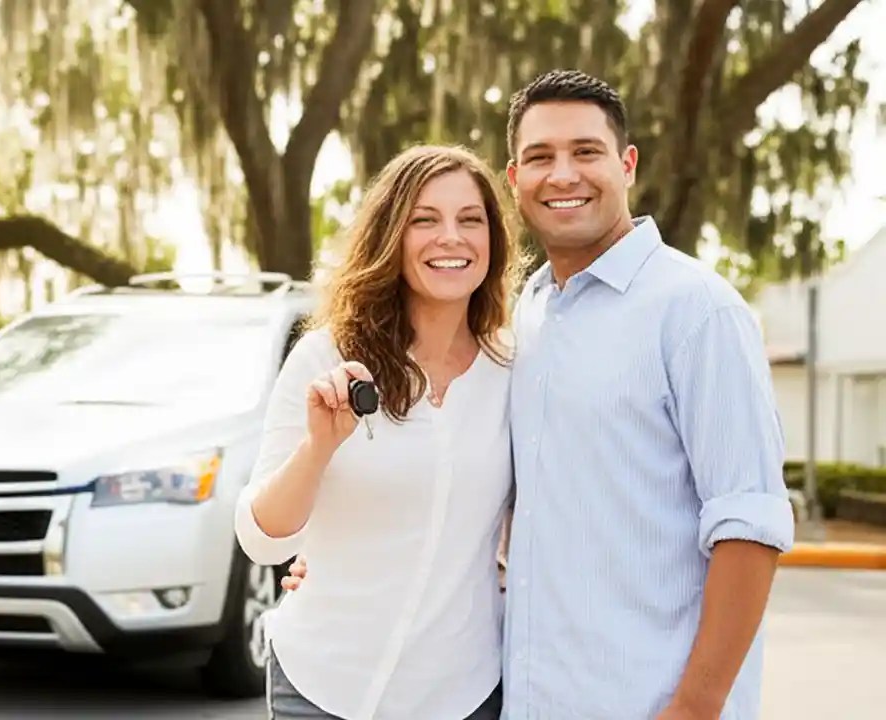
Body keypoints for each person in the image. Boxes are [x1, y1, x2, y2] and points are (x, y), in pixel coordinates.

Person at [283, 69, 795, 720]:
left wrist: (695, 708)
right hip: (528, 699)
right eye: (540, 157)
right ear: (515, 177)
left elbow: (750, 524)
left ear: (627, 164)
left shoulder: (696, 312)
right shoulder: (525, 318)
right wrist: (342, 557)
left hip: (648, 703)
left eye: (586, 152)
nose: (563, 175)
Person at [235, 144, 521, 720]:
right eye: (425, 220)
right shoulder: (324, 358)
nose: (451, 237)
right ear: (392, 236)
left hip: (462, 694)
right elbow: (263, 540)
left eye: (470, 220)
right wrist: (318, 448)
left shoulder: (515, 372)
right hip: (322, 685)